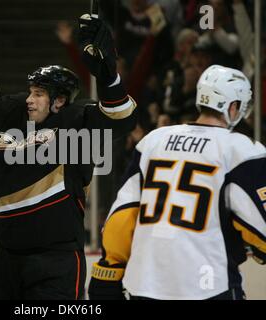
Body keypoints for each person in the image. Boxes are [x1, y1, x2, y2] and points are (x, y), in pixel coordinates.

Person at [0, 14, 138, 299]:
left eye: (38, 94)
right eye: (30, 91)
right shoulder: (17, 112)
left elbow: (121, 119)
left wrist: (109, 76)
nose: (29, 99)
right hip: (6, 255)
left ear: (59, 100)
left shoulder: (78, 119)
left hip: (56, 260)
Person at [88, 64, 266, 300]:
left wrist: (108, 269)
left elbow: (123, 215)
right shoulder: (242, 149)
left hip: (146, 285)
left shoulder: (154, 140)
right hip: (209, 287)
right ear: (233, 107)